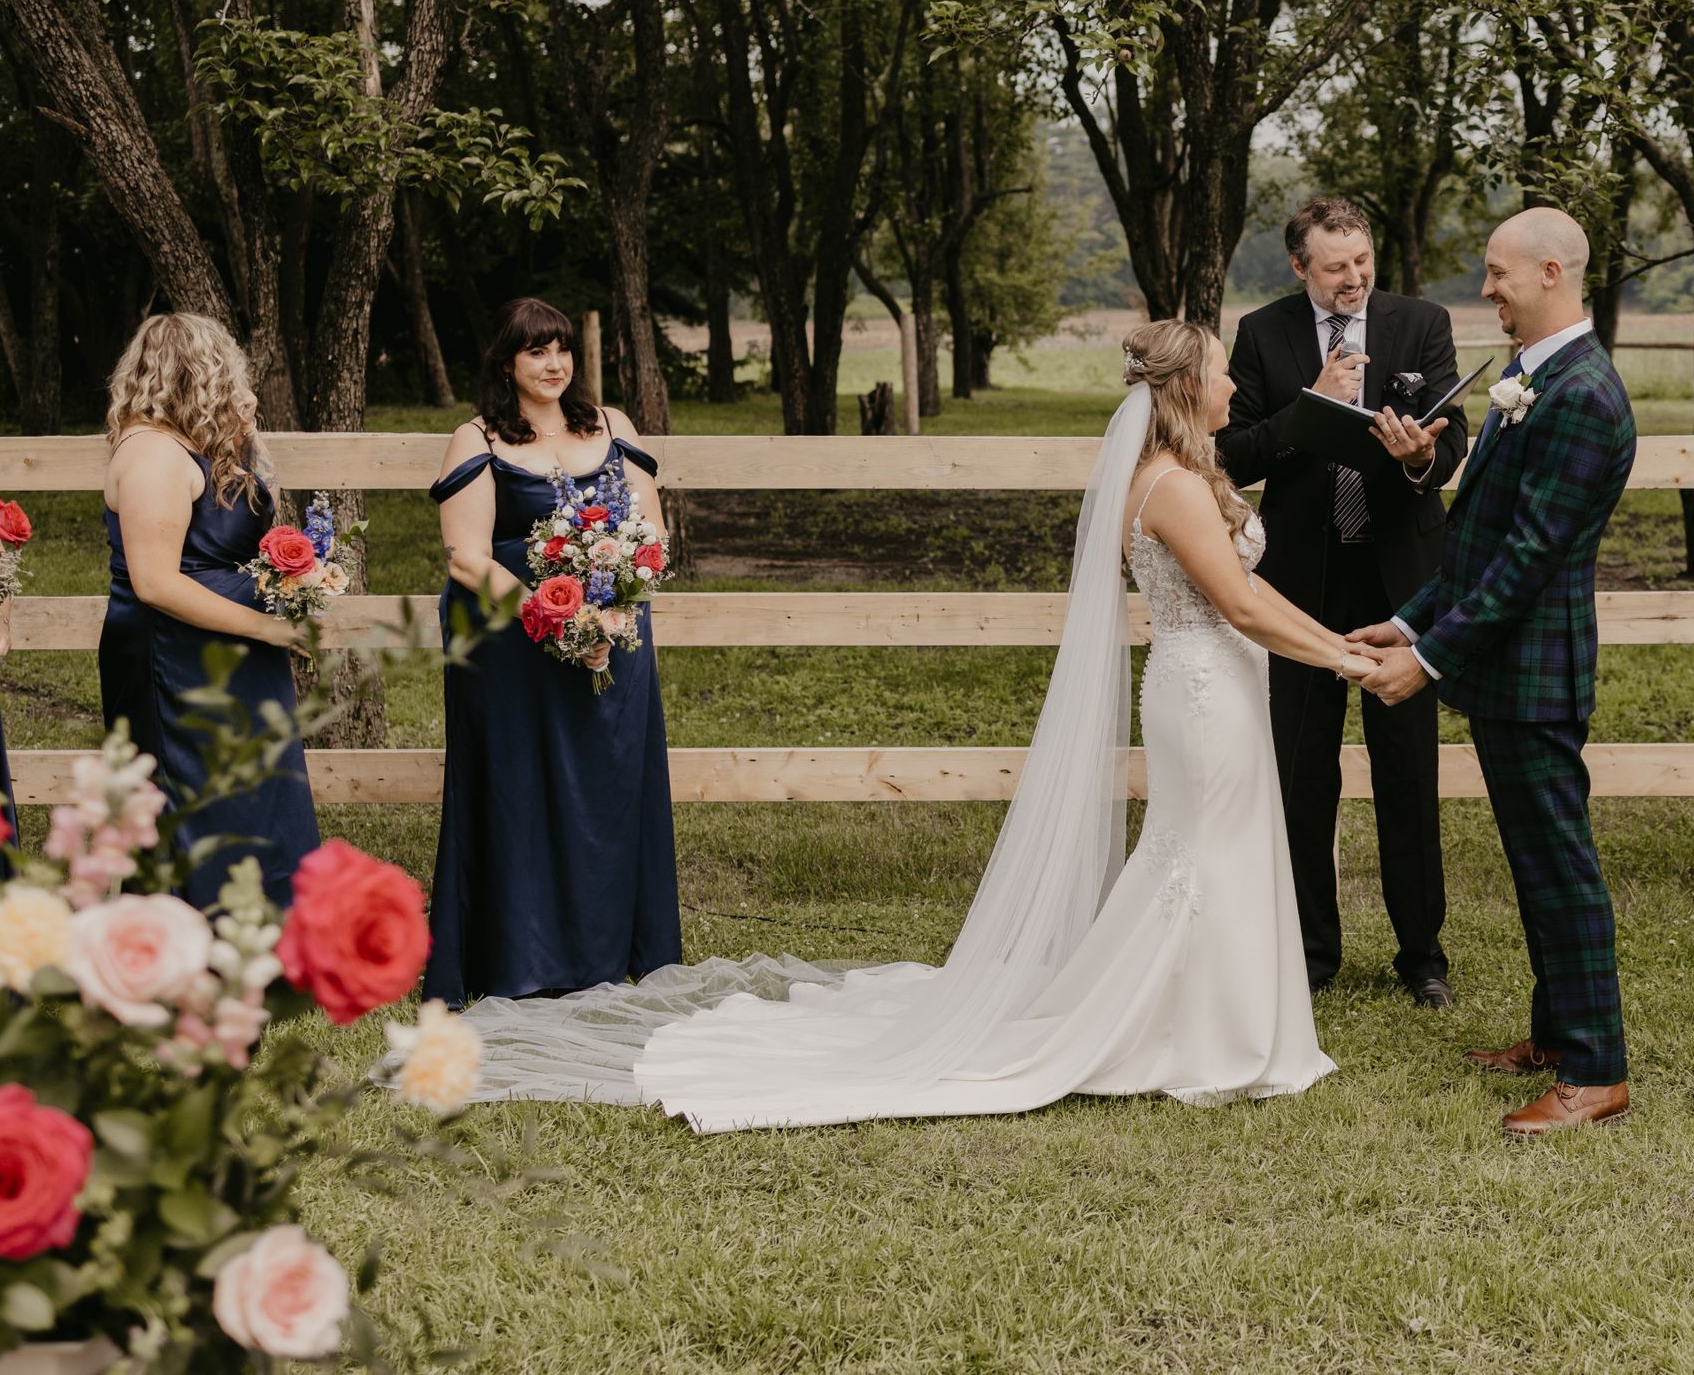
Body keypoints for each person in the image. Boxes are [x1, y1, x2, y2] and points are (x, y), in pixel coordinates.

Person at [448, 320, 1367, 1131]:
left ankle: (1212, 1023)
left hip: (1213, 685)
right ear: (1183, 388)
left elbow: (1247, 601)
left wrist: (1333, 642)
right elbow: (1239, 607)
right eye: (1220, 372)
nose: (1235, 387)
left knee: (1210, 854)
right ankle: (1198, 1037)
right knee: (1200, 858)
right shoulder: (1168, 487)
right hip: (1206, 688)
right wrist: (1346, 658)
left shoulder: (1174, 475)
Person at [1351, 207, 1640, 1138]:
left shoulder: (1585, 395)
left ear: (1551, 272)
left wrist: (1428, 661)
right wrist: (1405, 621)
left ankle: (1596, 1072)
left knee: (1560, 866)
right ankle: (1556, 1034)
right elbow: (1477, 540)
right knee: (1531, 860)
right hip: (1507, 666)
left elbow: (1530, 559)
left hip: (1538, 671)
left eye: (1497, 274)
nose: (1485, 289)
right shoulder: (1530, 377)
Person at [1216, 197, 1469, 1008]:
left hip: (1402, 583)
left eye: (1362, 260)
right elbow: (1230, 452)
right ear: (1300, 268)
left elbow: (1455, 434)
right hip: (1301, 588)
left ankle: (1422, 957)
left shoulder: (1420, 322)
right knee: (1301, 773)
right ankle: (1310, 954)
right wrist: (1308, 405)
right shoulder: (1263, 333)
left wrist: (1424, 454)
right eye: (1335, 266)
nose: (1354, 277)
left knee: (1407, 772)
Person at [425, 298, 681, 1005]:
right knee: (520, 791)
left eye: (562, 348)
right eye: (536, 350)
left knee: (608, 787)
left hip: (614, 633)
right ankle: (522, 958)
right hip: (512, 645)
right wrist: (556, 621)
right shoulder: (475, 439)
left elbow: (651, 535)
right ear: (507, 362)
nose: (553, 363)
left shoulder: (613, 428)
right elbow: (467, 557)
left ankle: (615, 949)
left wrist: (613, 609)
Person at [99, 313, 319, 907]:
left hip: (228, 649)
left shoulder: (198, 446)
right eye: (226, 369)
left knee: (253, 791)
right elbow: (155, 583)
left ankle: (267, 940)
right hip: (175, 658)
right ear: (198, 373)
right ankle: (194, 948)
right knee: (196, 794)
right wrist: (266, 626)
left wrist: (246, 434)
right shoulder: (151, 454)